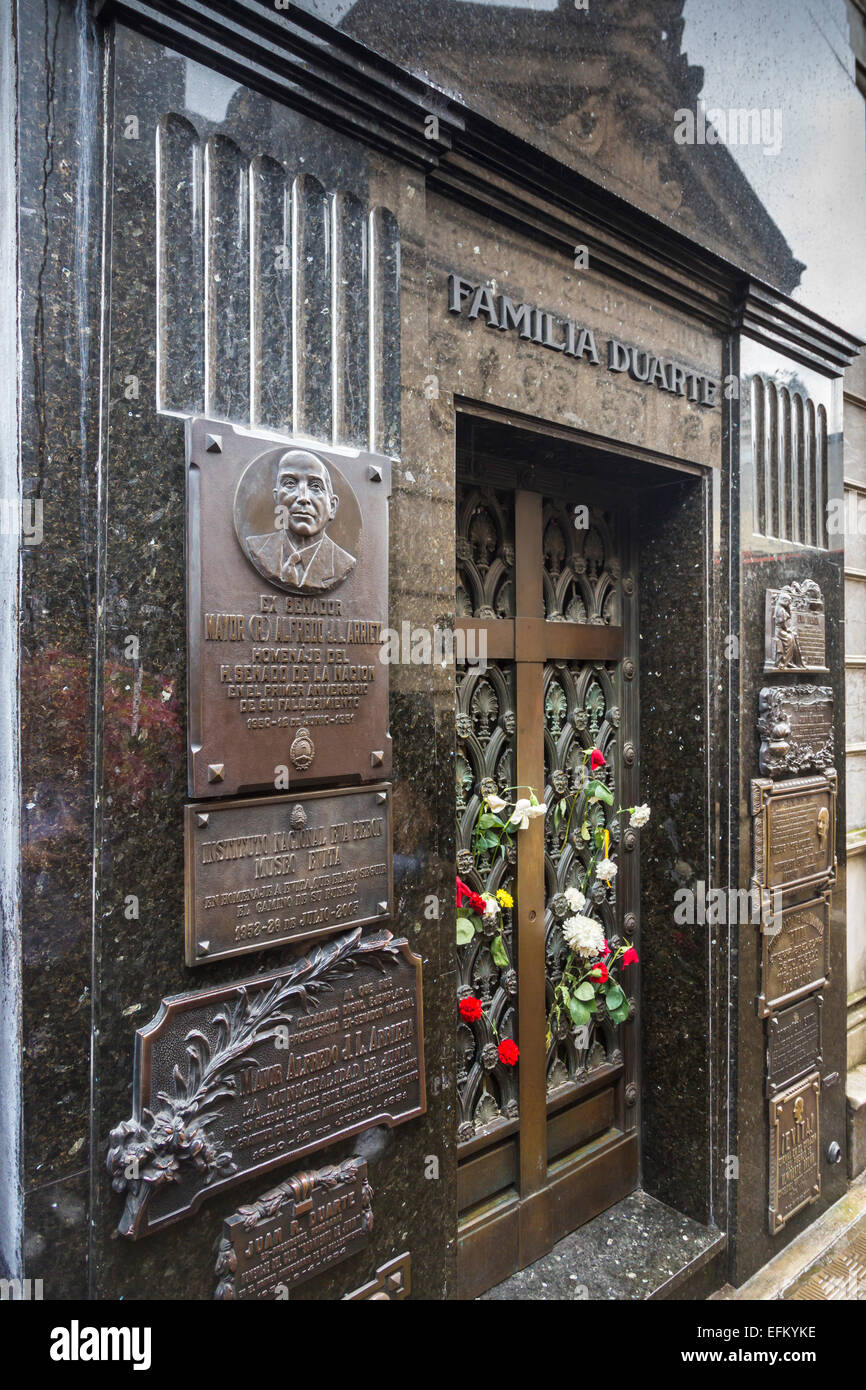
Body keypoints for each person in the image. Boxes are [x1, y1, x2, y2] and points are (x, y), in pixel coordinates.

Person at [245, 449, 356, 592]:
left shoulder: (343, 563)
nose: (303, 497)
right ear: (276, 499)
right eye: (290, 483)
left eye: (316, 486)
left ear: (332, 507)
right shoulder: (257, 548)